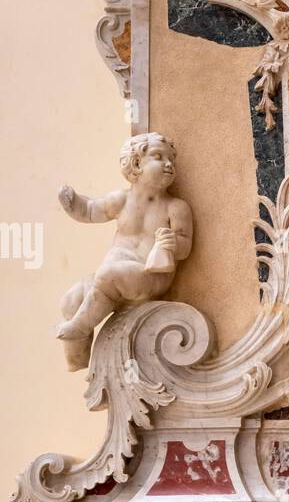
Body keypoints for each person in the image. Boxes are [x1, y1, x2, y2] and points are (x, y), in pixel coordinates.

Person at [56, 132, 192, 370]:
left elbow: (185, 245)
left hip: (151, 275)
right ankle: (78, 362)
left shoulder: (175, 207)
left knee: (109, 275)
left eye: (171, 158)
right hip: (116, 272)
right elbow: (90, 210)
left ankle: (82, 325)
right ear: (136, 164)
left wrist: (173, 242)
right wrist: (73, 204)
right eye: (158, 157)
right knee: (71, 299)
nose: (169, 163)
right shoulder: (121, 200)